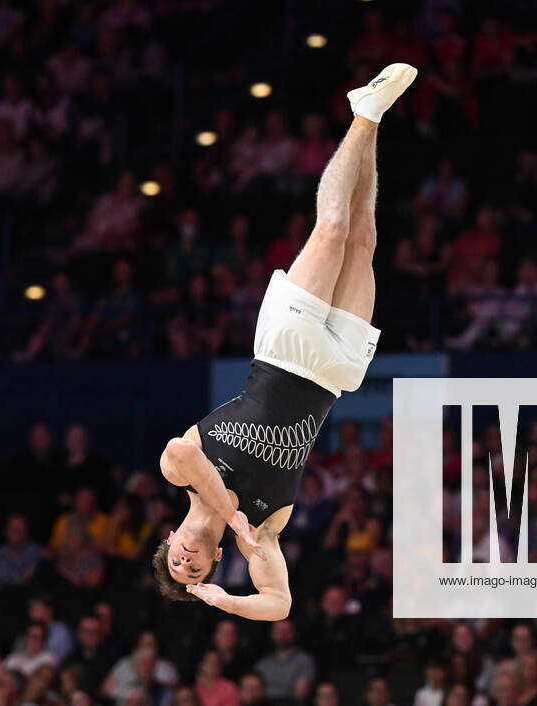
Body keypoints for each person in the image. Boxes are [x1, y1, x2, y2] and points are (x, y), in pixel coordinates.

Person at [152, 63, 418, 620]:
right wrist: (227, 597)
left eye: (176, 562)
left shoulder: (182, 471)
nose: (187, 564)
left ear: (170, 541)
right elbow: (278, 605)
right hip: (334, 375)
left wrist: (229, 516)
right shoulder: (264, 530)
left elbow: (180, 451)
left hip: (284, 350)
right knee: (365, 238)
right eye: (195, 570)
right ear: (214, 559)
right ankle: (369, 120)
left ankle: (363, 113)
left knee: (333, 230)